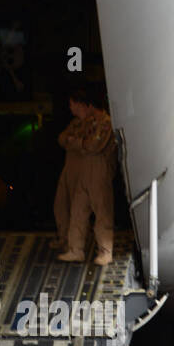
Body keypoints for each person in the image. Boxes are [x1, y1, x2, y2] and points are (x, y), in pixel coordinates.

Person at [58, 89, 117, 266]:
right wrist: (81, 144)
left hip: (98, 169)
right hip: (83, 170)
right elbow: (62, 139)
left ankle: (106, 251)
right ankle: (75, 250)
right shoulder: (82, 123)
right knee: (77, 211)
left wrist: (77, 143)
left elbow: (94, 145)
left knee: (102, 211)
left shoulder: (105, 122)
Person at [52, 90, 90, 251]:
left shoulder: (92, 122)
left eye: (72, 103)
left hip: (83, 170)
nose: (70, 107)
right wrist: (73, 141)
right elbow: (62, 138)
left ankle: (77, 244)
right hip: (69, 169)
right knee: (60, 205)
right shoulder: (75, 123)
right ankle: (64, 239)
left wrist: (73, 142)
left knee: (78, 209)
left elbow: (87, 145)